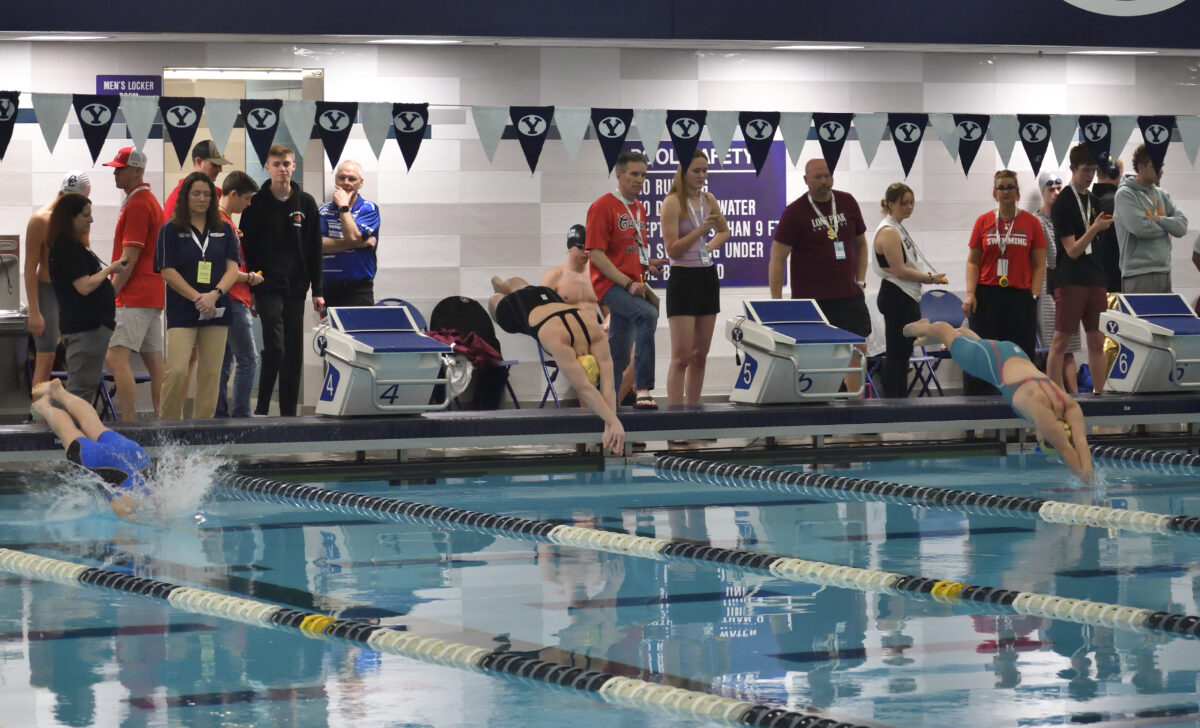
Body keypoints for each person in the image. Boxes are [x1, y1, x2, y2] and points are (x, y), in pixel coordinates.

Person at [903, 318, 1092, 483]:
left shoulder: (1070, 404)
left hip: (1014, 353)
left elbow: (1081, 443)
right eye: (1042, 439)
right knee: (944, 330)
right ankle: (916, 328)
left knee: (970, 341)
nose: (1038, 436)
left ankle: (942, 334)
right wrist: (1088, 485)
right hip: (991, 360)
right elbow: (1067, 449)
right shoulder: (1040, 410)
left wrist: (1089, 475)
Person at [769, 158, 871, 395]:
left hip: (847, 295)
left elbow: (861, 245)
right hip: (812, 302)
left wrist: (860, 280)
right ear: (806, 181)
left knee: (857, 350)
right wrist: (775, 301)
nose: (824, 181)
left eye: (827, 175)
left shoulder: (847, 202)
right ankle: (818, 408)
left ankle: (856, 408)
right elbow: (777, 259)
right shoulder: (795, 212)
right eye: (817, 177)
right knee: (817, 357)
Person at [489, 276, 624, 454]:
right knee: (494, 302)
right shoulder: (563, 341)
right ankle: (499, 289)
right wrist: (613, 422)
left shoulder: (594, 330)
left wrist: (611, 422)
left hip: (548, 296)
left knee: (522, 286)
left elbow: (608, 385)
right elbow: (585, 387)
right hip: (523, 308)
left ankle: (500, 283)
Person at [239, 144, 324, 417]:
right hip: (265, 285)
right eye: (277, 164)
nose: (282, 169)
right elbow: (246, 250)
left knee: (293, 352)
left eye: (287, 164)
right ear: (268, 167)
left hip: (296, 287)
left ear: (293, 167)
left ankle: (289, 413)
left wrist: (318, 290)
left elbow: (315, 250)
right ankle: (263, 406)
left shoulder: (307, 203)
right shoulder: (254, 204)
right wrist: (249, 290)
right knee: (275, 346)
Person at [154, 172, 241, 420]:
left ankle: (204, 430)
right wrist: (198, 298)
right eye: (196, 193)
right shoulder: (170, 230)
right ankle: (169, 428)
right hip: (183, 309)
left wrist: (213, 295)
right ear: (185, 197)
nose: (202, 199)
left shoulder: (224, 229)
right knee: (178, 369)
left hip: (216, 309)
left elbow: (232, 269)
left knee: (211, 374)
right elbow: (167, 272)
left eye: (206, 194)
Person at [586, 150, 663, 410]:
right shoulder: (602, 206)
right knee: (648, 315)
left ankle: (604, 407)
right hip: (611, 286)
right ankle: (642, 388)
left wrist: (648, 265)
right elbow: (596, 254)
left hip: (632, 283)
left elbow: (632, 249)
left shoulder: (639, 208)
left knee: (618, 355)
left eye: (643, 175)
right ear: (619, 175)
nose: (640, 180)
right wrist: (627, 283)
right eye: (634, 174)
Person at [961, 170, 1046, 396]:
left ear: (1017, 193)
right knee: (982, 353)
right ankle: (977, 411)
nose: (1006, 191)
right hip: (987, 296)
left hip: (1019, 297)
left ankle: (1021, 407)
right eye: (1001, 187)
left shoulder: (1032, 223)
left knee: (1019, 355)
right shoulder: (983, 221)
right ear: (994, 192)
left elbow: (1039, 264)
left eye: (1010, 187)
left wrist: (1034, 295)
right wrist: (970, 293)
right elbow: (973, 262)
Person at [102, 147, 166, 422]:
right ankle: (165, 422)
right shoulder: (149, 201)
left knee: (115, 358)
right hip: (152, 295)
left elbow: (128, 259)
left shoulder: (138, 205)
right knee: (155, 363)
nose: (115, 172)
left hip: (134, 295)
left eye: (120, 167)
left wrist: (109, 294)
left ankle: (128, 424)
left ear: (137, 170)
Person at [661, 150, 729, 407]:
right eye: (696, 171)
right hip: (683, 278)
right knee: (682, 356)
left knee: (701, 355)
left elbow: (724, 231)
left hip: (706, 276)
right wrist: (699, 232)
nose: (702, 176)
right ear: (683, 172)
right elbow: (672, 249)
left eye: (704, 171)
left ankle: (694, 413)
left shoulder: (709, 199)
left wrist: (708, 247)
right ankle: (676, 420)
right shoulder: (672, 203)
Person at [30, 378, 150, 523]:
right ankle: (44, 406)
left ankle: (60, 392)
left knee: (94, 425)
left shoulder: (163, 499)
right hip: (107, 460)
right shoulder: (128, 508)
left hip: (135, 455)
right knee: (68, 431)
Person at [46, 193, 128, 403]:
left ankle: (72, 432)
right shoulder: (67, 248)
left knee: (83, 388)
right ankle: (69, 435)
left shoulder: (71, 246)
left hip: (88, 329)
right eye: (85, 215)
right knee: (80, 391)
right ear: (69, 218)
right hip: (86, 330)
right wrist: (111, 268)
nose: (91, 220)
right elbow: (84, 286)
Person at [1049, 145, 1114, 394]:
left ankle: (1100, 394)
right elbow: (1072, 250)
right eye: (1086, 170)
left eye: (1094, 171)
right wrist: (1095, 228)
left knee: (1097, 341)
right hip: (1071, 279)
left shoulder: (1095, 201)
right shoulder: (1063, 203)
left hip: (1095, 278)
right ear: (1073, 169)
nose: (1090, 176)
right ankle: (1054, 397)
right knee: (1061, 341)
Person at [871, 182, 946, 399]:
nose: (909, 207)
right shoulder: (888, 231)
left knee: (902, 354)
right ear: (891, 203)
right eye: (904, 203)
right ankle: (894, 403)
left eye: (912, 203)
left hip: (904, 294)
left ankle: (899, 401)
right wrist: (929, 278)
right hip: (897, 295)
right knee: (897, 354)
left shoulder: (897, 226)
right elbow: (899, 270)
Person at [24, 171, 91, 387]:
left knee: (77, 361)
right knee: (46, 361)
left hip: (72, 295)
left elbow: (83, 259)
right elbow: (29, 268)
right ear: (61, 192)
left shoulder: (78, 219)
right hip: (48, 294)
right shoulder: (40, 220)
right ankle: (38, 419)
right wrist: (35, 311)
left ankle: (70, 416)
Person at [215, 171, 264, 418]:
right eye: (246, 198)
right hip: (234, 299)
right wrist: (251, 278)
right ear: (233, 194)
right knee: (248, 360)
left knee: (223, 364)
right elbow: (228, 271)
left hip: (228, 300)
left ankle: (219, 418)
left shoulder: (223, 221)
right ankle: (242, 416)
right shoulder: (223, 224)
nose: (249, 203)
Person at [1114, 143, 1189, 293]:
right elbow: (1141, 229)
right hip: (1138, 273)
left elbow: (1182, 227)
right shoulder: (1125, 194)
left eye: (1161, 165)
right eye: (1156, 166)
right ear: (1141, 167)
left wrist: (1159, 219)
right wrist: (1168, 229)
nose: (1161, 171)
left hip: (1164, 270)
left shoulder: (1162, 195)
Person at [1034, 170, 1079, 393]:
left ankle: (1076, 396)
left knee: (1068, 347)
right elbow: (1050, 258)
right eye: (1050, 188)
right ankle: (1060, 395)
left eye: (1059, 188)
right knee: (1056, 346)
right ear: (1043, 192)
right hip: (1048, 288)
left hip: (1069, 285)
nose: (1055, 192)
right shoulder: (1037, 222)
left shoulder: (1068, 218)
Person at [320, 160, 381, 307]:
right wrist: (359, 244)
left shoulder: (369, 209)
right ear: (336, 180)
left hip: (359, 289)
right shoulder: (323, 210)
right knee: (330, 330)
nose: (346, 182)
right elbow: (318, 245)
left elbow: (353, 237)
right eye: (342, 178)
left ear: (360, 183)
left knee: (358, 330)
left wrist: (343, 207)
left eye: (352, 179)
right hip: (328, 287)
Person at [163, 139, 229, 216]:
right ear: (198, 162)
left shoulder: (218, 193)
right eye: (215, 165)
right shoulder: (179, 197)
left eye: (220, 165)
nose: (220, 170)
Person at [1092, 153, 1124, 293]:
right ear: (1115, 173)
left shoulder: (1088, 200)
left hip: (1091, 278)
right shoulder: (1118, 202)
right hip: (1114, 279)